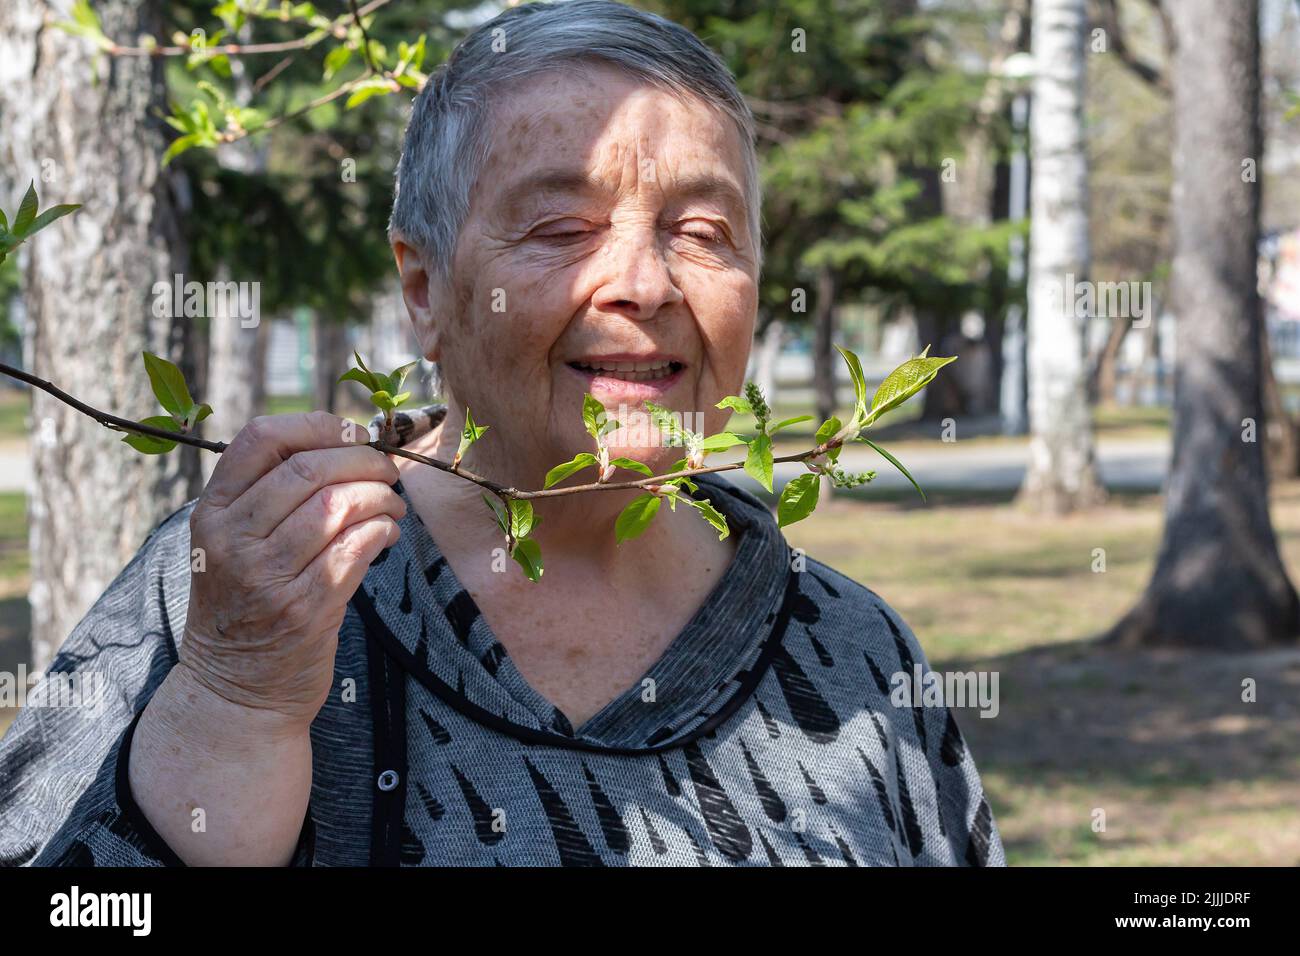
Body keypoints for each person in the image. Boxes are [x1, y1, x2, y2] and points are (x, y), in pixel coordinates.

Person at [0, 0, 1005, 867]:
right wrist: (231, 702)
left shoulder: (851, 651)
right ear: (425, 288)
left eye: (701, 232)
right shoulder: (248, 585)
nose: (644, 283)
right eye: (561, 229)